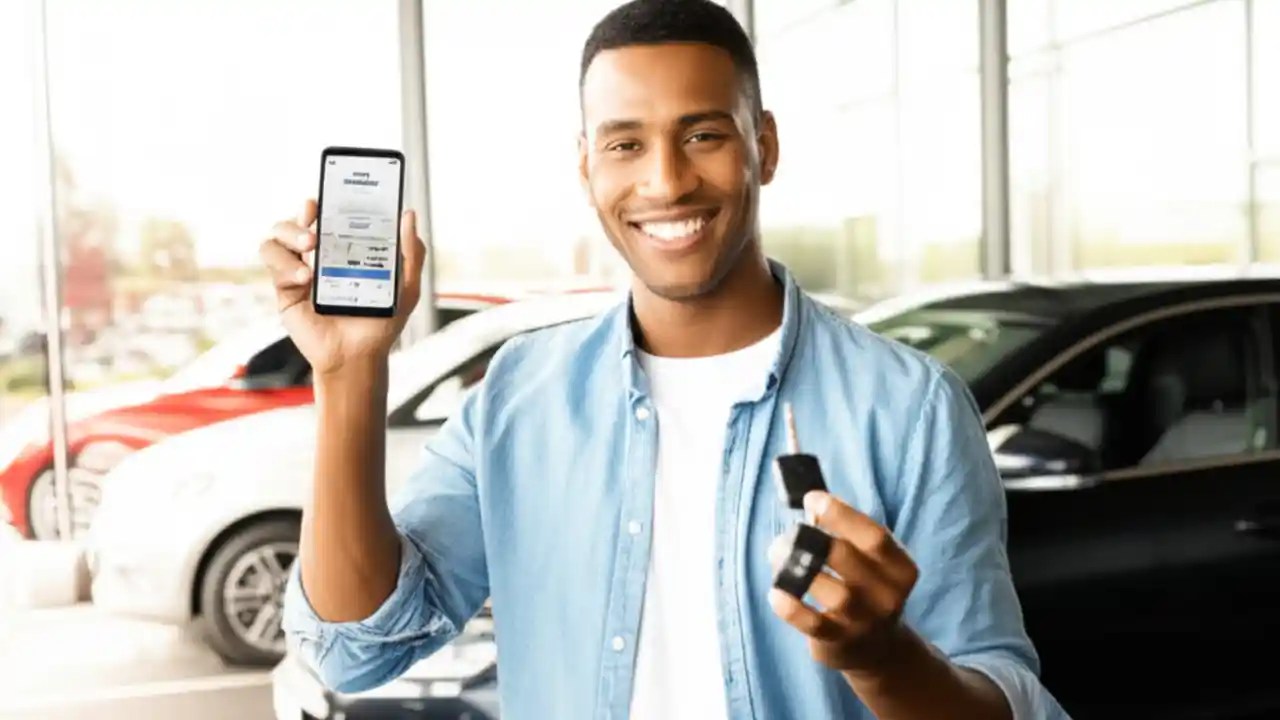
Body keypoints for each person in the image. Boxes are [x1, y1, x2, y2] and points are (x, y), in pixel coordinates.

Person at [267, 0, 1068, 717]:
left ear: (764, 146)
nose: (667, 181)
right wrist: (347, 373)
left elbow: (1000, 697)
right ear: (587, 167)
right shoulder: (518, 396)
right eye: (626, 144)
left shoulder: (909, 406)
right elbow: (353, 649)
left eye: (703, 136)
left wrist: (882, 659)